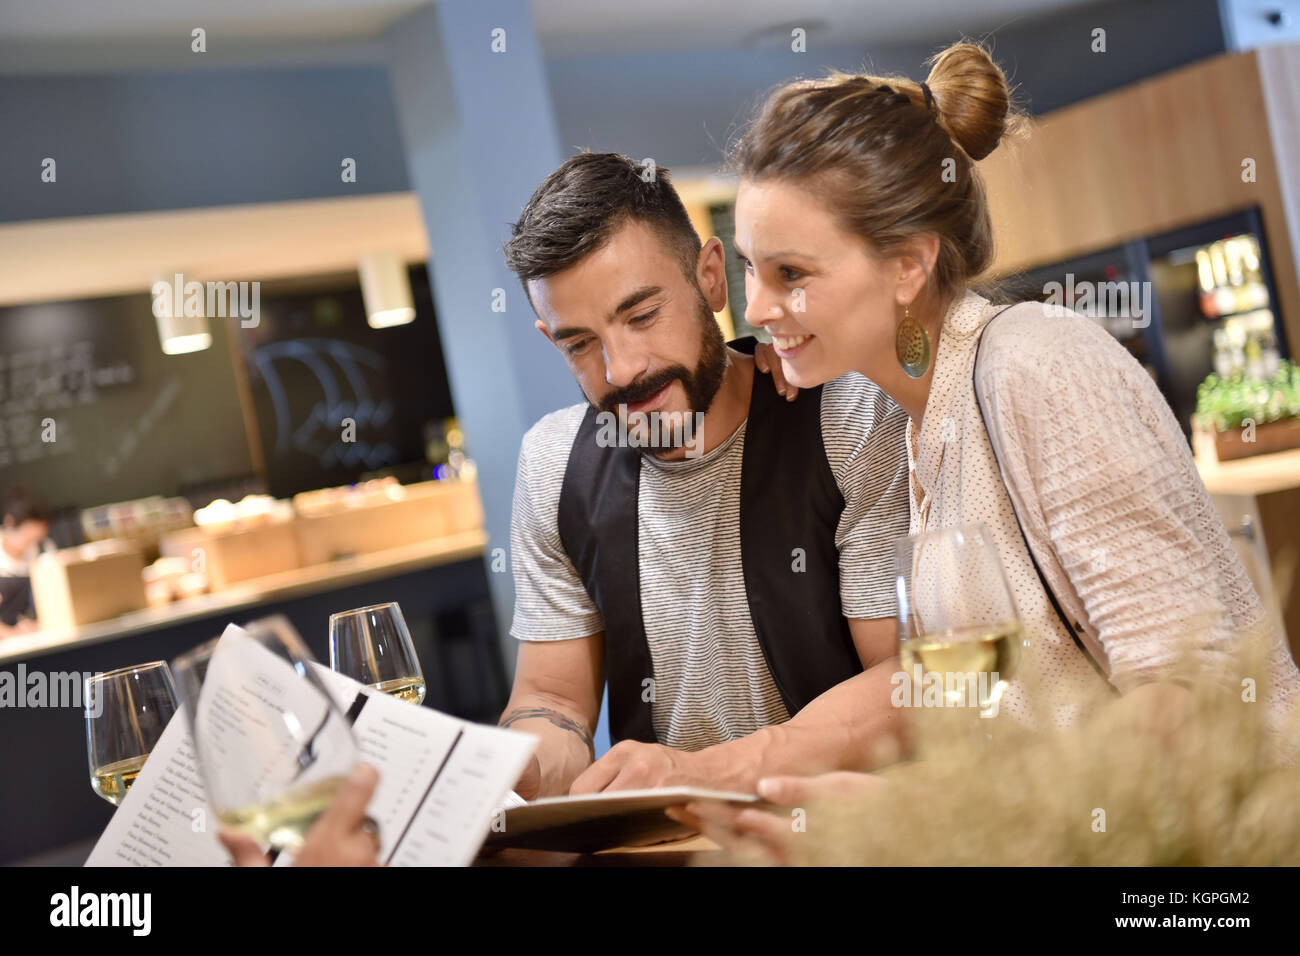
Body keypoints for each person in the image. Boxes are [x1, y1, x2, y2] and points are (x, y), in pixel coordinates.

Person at [669, 40, 1300, 858]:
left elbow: (1193, 694)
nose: (757, 306)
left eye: (792, 272)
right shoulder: (922, 419)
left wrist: (921, 818)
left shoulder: (1041, 368)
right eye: (752, 268)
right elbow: (967, 698)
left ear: (907, 264)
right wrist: (736, 770)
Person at [498, 152, 913, 798]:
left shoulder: (846, 412)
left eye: (641, 316)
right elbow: (553, 699)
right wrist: (508, 768)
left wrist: (702, 772)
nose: (620, 370)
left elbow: (909, 684)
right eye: (578, 344)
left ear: (712, 280)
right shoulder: (554, 465)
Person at [0, 486, 53, 636]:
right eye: (28, 539)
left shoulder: (44, 550)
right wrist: (11, 633)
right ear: (10, 523)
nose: (32, 545)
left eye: (37, 540)